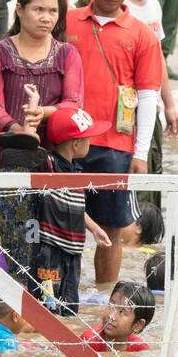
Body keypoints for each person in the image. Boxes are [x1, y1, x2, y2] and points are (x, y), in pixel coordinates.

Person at [0, 0, 82, 290]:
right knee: (15, 243)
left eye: (53, 11)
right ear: (19, 10)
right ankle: (15, 312)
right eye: (38, 9)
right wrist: (19, 130)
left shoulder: (67, 54)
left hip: (56, 164)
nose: (46, 17)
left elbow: (74, 104)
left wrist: (43, 113)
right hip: (9, 162)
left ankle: (52, 311)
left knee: (54, 243)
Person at [63, 0, 163, 284]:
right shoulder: (66, 21)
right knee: (61, 222)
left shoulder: (142, 35)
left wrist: (140, 153)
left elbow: (148, 95)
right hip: (65, 142)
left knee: (111, 229)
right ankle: (62, 295)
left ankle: (104, 297)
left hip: (116, 146)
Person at [32, 106, 114, 315]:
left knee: (69, 306)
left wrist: (94, 228)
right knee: (48, 307)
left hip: (73, 251)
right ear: (76, 143)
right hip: (51, 250)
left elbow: (76, 206)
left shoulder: (76, 172)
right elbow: (29, 148)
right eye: (88, 139)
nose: (91, 143)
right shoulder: (48, 165)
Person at [125, 0, 178, 209]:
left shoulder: (153, 6)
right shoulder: (120, 6)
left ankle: (145, 236)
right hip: (125, 108)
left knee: (152, 167)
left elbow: (157, 55)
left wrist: (168, 104)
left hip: (151, 105)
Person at [81, 279, 154, 354]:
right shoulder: (89, 340)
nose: (111, 316)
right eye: (111, 306)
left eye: (122, 312)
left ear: (138, 325)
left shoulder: (140, 347)